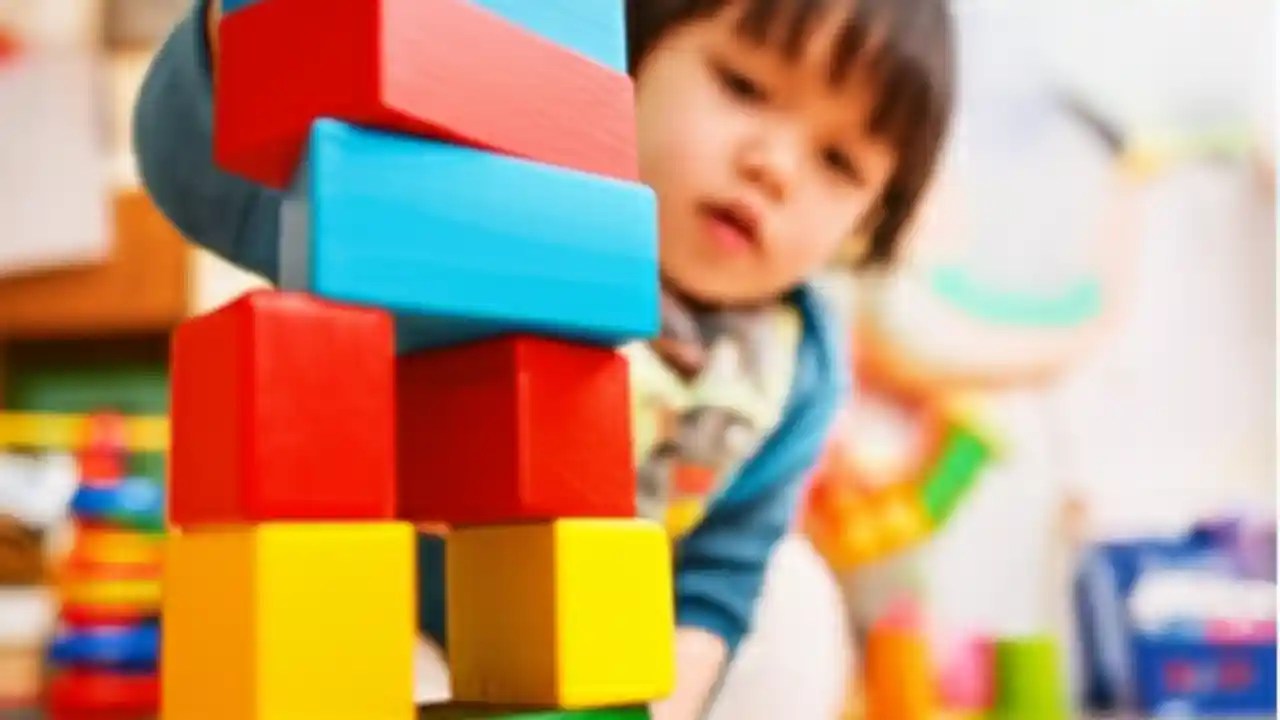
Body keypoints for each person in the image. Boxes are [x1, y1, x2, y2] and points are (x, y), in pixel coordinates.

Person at [132, 0, 955, 716]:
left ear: (867, 227)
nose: (772, 166)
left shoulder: (797, 368)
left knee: (795, 596)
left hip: (599, 641)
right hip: (391, 608)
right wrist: (244, 38)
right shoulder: (502, 198)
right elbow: (227, 186)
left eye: (838, 162)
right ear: (626, 58)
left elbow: (721, 574)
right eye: (742, 87)